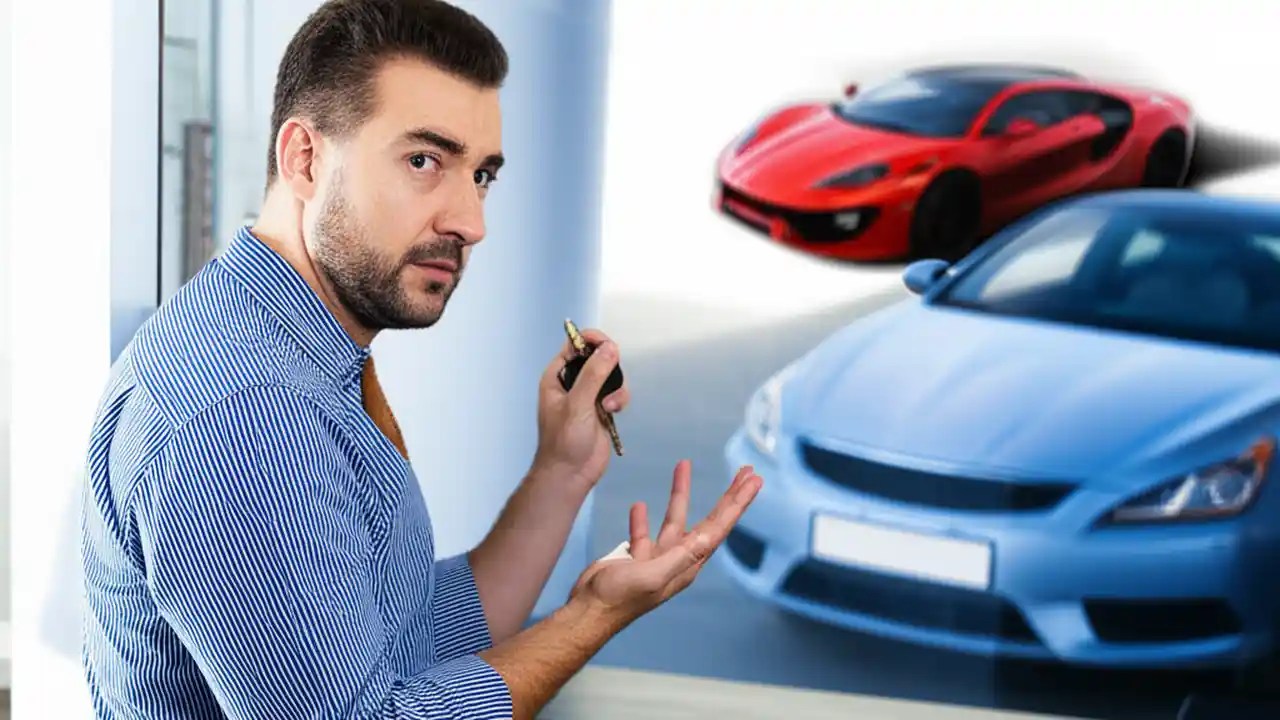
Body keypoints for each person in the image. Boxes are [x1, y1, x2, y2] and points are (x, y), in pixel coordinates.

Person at [79, 0, 763, 718]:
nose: (471, 222)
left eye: (481, 176)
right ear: (304, 159)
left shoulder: (291, 349)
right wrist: (593, 618)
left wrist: (562, 472)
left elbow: (408, 639)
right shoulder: (249, 416)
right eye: (423, 161)